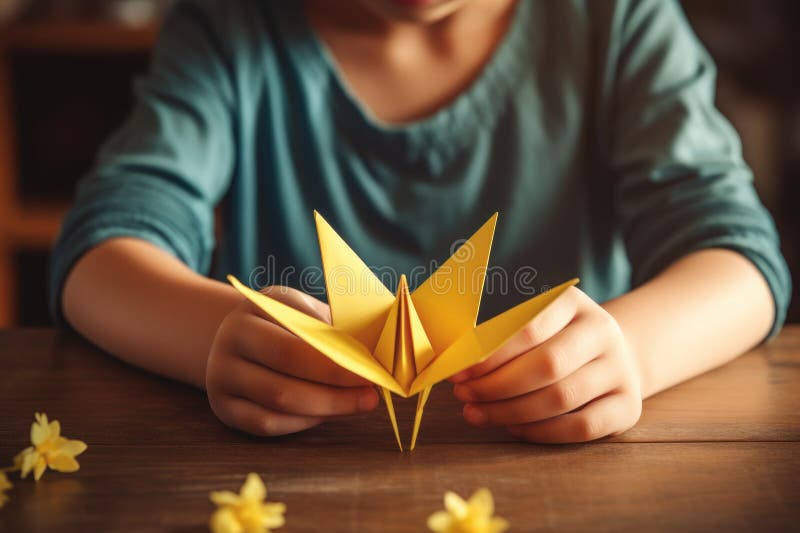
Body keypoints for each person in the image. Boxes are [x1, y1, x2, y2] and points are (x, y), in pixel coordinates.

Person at [51, 0, 791, 443]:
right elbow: (102, 249)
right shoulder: (227, 26)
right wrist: (212, 333)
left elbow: (738, 256)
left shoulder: (618, 19)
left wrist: (632, 351)